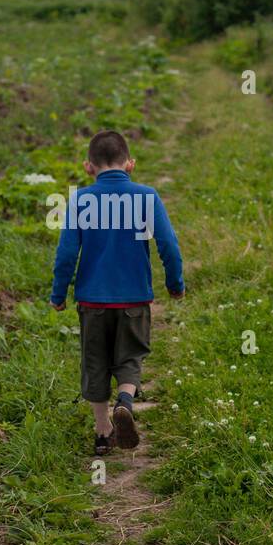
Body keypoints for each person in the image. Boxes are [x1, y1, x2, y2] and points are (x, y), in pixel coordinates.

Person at [49, 130, 185, 455]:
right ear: (131, 164)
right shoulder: (146, 196)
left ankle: (101, 433)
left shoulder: (80, 200)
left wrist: (58, 294)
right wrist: (175, 284)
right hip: (134, 298)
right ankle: (125, 399)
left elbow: (66, 254)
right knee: (130, 355)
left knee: (94, 361)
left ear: (87, 167)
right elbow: (168, 244)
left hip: (92, 301)